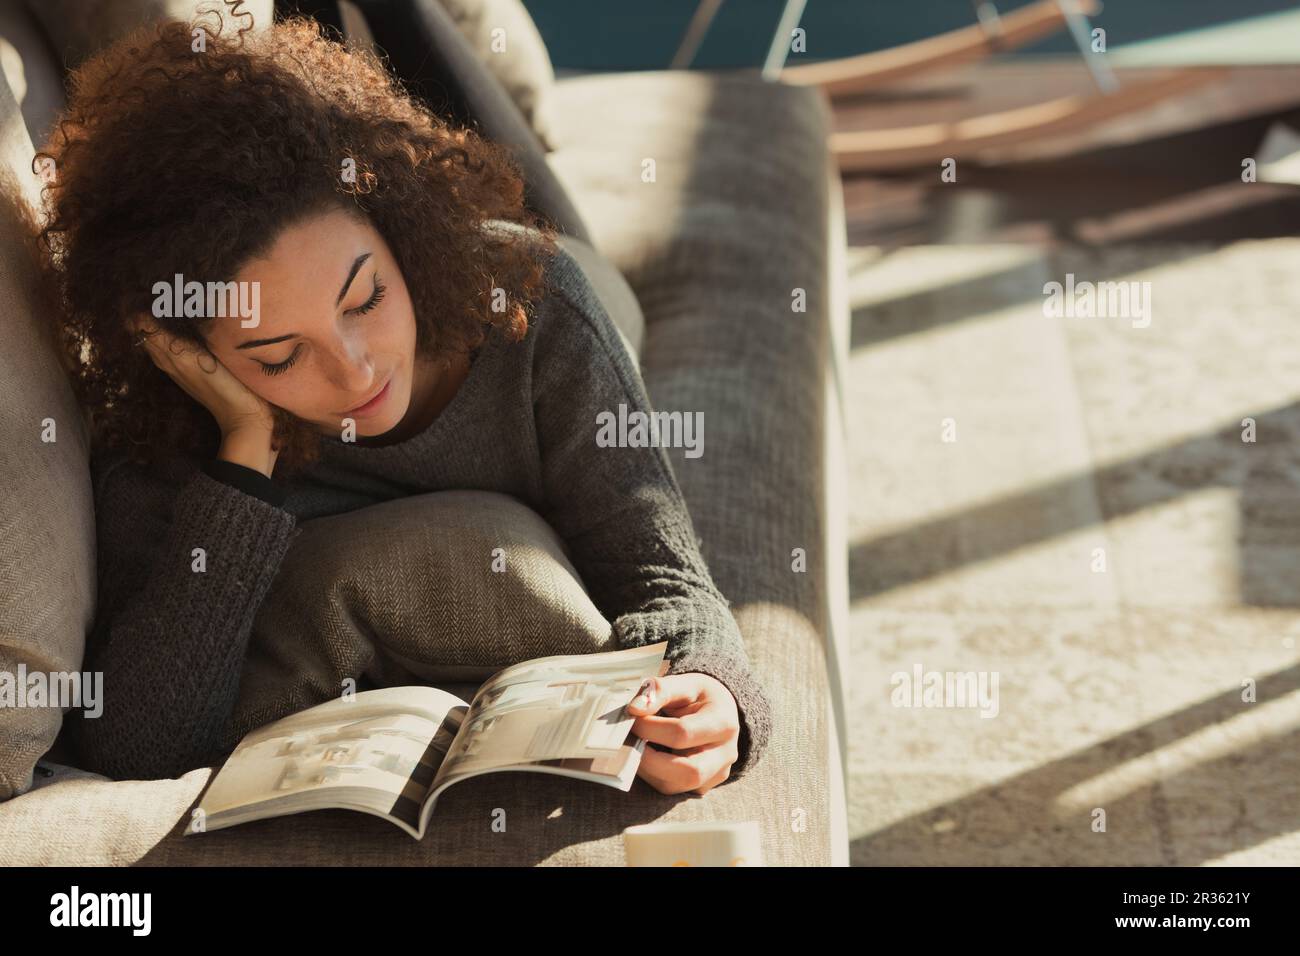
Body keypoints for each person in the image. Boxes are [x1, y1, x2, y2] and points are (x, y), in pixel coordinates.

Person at [35, 3, 771, 796]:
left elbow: (667, 580)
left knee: (527, 194)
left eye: (366, 298)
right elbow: (138, 746)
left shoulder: (540, 313)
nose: (354, 374)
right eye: (280, 356)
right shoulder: (179, 426)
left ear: (396, 229)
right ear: (188, 354)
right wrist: (244, 449)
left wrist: (721, 696)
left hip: (571, 280)